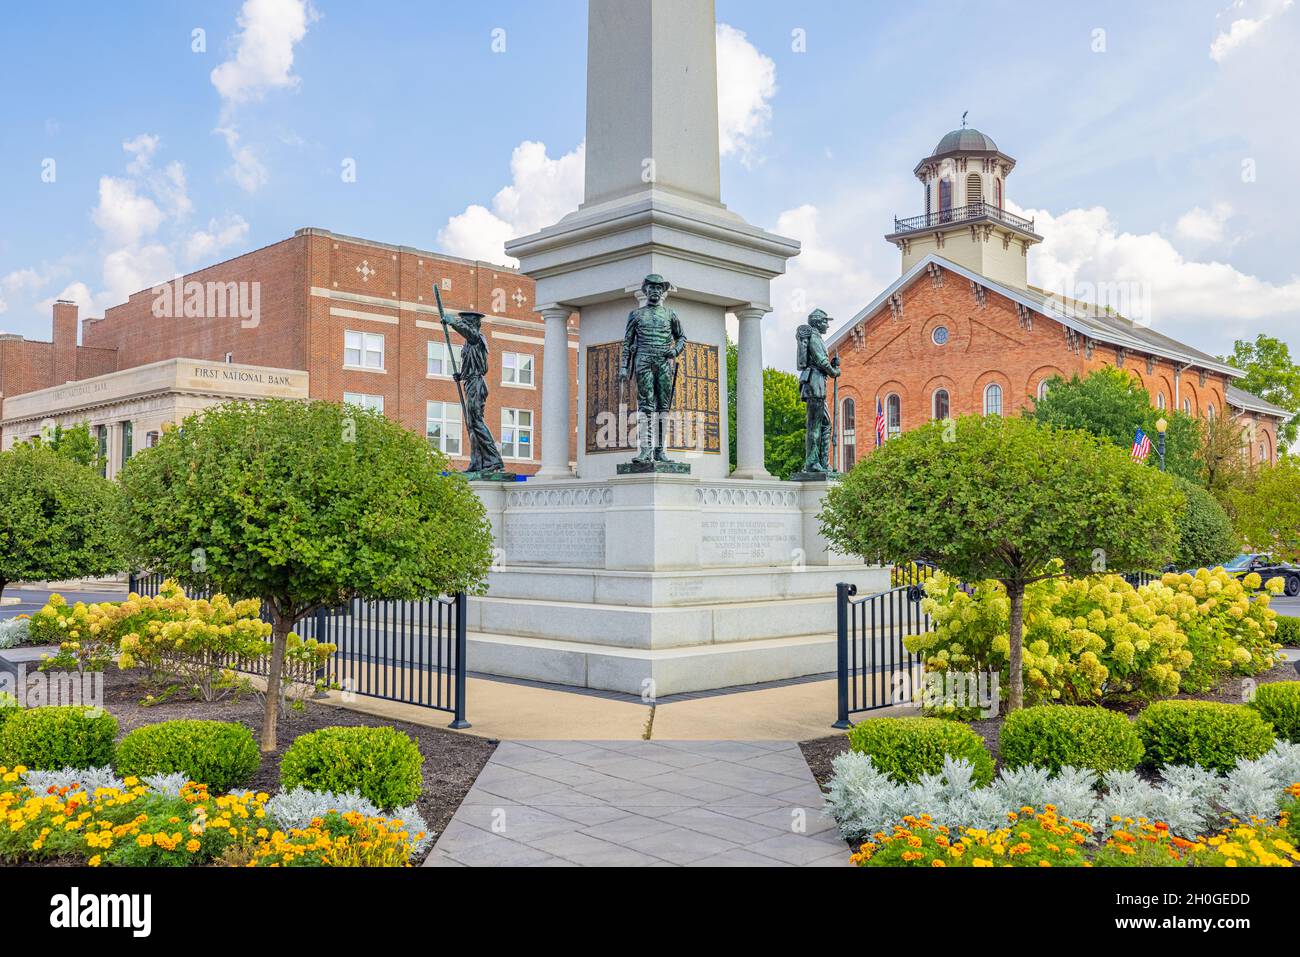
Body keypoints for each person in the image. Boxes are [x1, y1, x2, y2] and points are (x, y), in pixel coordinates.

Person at [619, 274, 686, 464]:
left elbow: (681, 337)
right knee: (646, 406)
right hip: (643, 361)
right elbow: (627, 342)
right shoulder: (636, 315)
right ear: (645, 290)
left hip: (664, 362)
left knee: (663, 408)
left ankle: (659, 451)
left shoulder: (670, 314)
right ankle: (645, 450)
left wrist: (674, 351)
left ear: (663, 292)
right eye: (652, 287)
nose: (655, 291)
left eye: (659, 288)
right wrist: (624, 366)